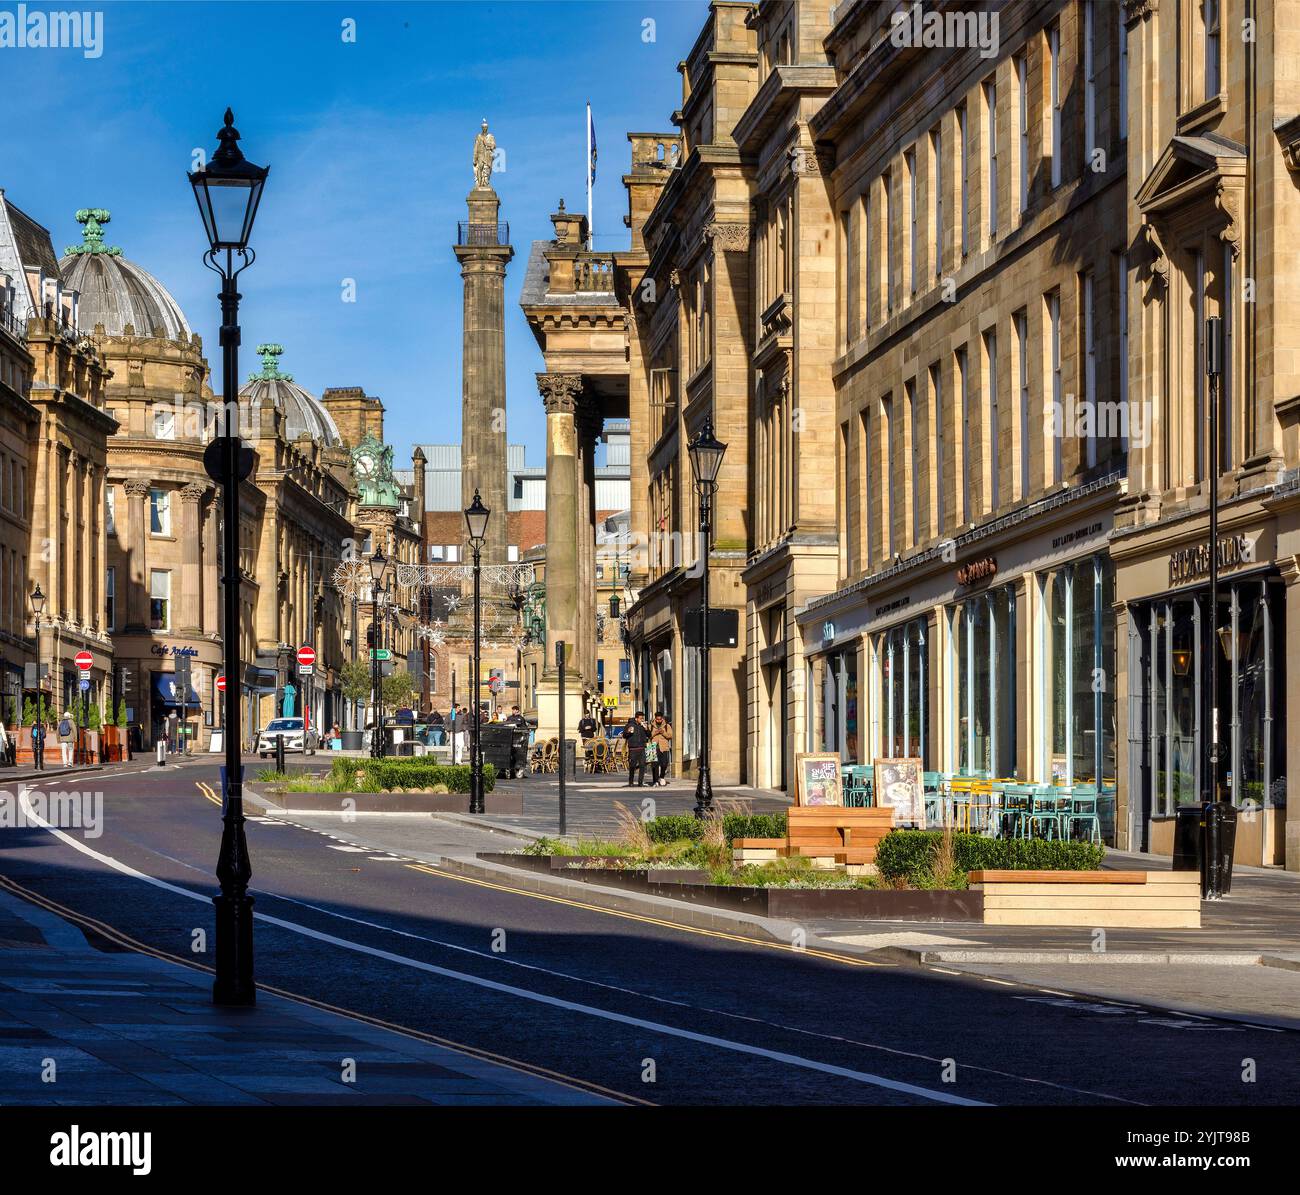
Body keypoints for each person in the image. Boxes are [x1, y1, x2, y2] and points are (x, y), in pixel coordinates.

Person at [623, 711, 650, 787]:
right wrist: (628, 732)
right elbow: (624, 736)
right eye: (641, 718)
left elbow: (649, 735)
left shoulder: (643, 725)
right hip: (633, 749)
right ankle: (631, 781)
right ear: (636, 718)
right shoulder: (629, 725)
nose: (642, 720)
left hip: (642, 748)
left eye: (642, 718)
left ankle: (640, 782)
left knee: (642, 765)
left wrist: (646, 729)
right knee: (632, 766)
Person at [650, 712, 674, 786]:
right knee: (654, 765)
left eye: (660, 719)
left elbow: (670, 736)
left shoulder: (667, 726)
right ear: (655, 718)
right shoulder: (650, 726)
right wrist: (655, 733)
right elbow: (648, 736)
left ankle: (661, 777)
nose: (659, 721)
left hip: (664, 747)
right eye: (657, 719)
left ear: (662, 718)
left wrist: (663, 732)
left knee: (664, 764)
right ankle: (655, 781)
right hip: (652, 747)